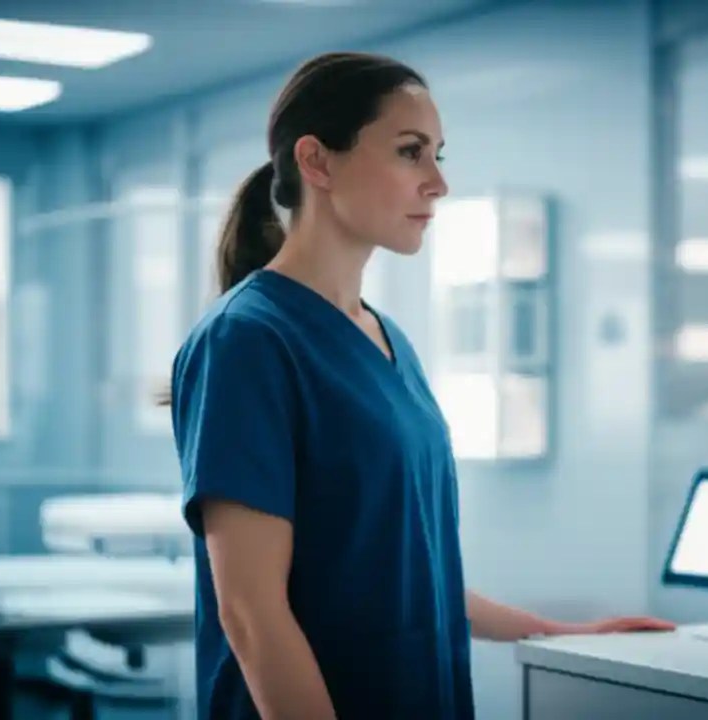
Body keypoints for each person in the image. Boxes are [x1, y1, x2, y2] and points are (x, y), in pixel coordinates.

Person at [169, 51, 674, 720]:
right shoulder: (249, 340)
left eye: (439, 154)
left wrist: (554, 634)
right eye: (411, 153)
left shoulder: (386, 338)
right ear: (317, 162)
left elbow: (410, 575)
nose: (438, 182)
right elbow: (251, 612)